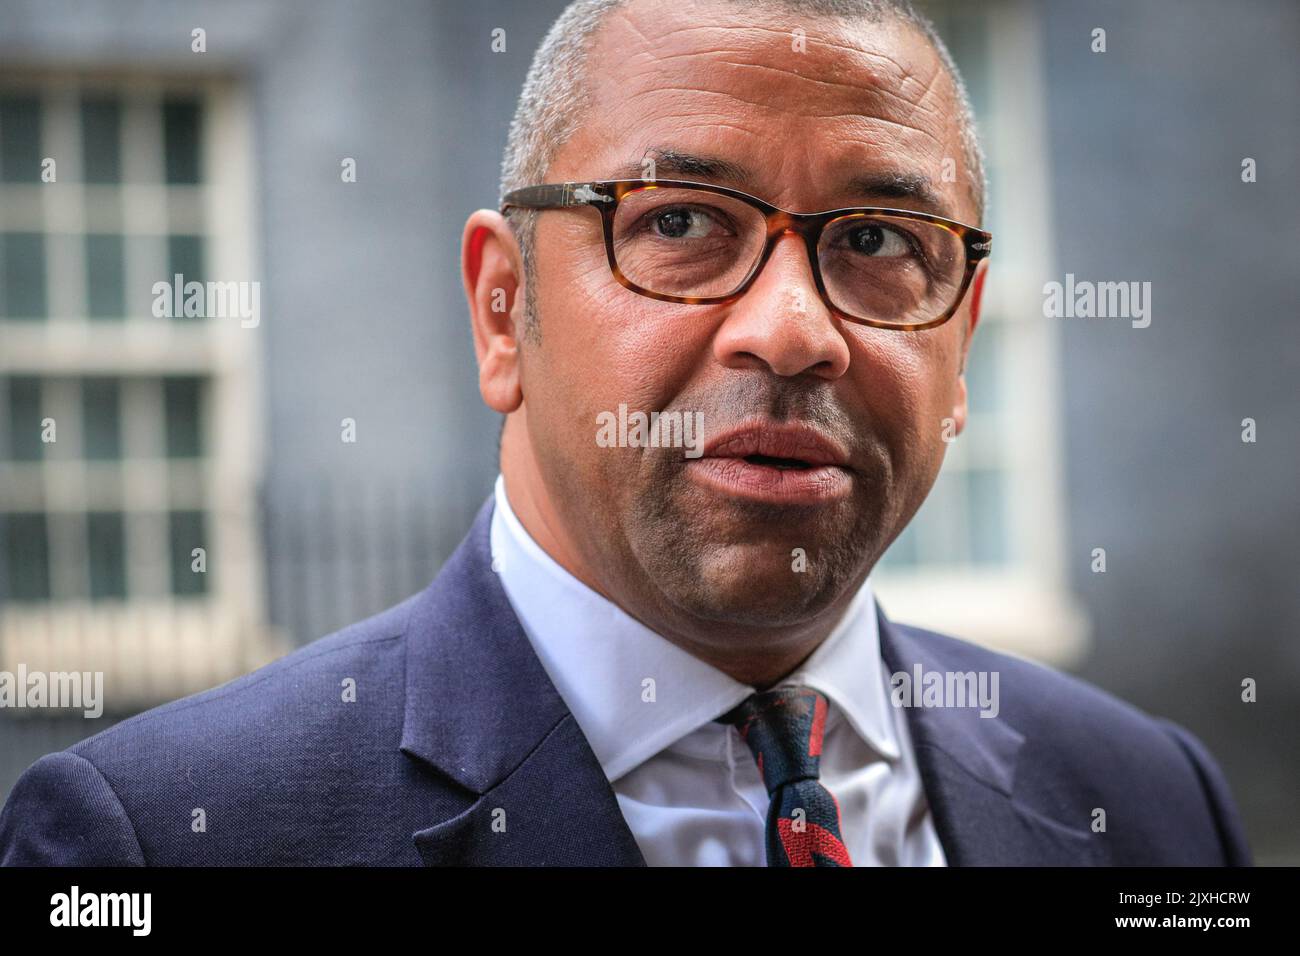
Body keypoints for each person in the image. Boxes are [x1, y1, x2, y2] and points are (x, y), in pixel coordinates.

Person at [0, 0, 1251, 866]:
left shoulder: (1147, 804)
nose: (791, 330)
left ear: (961, 341)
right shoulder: (163, 837)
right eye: (679, 222)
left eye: (876, 242)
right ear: (504, 310)